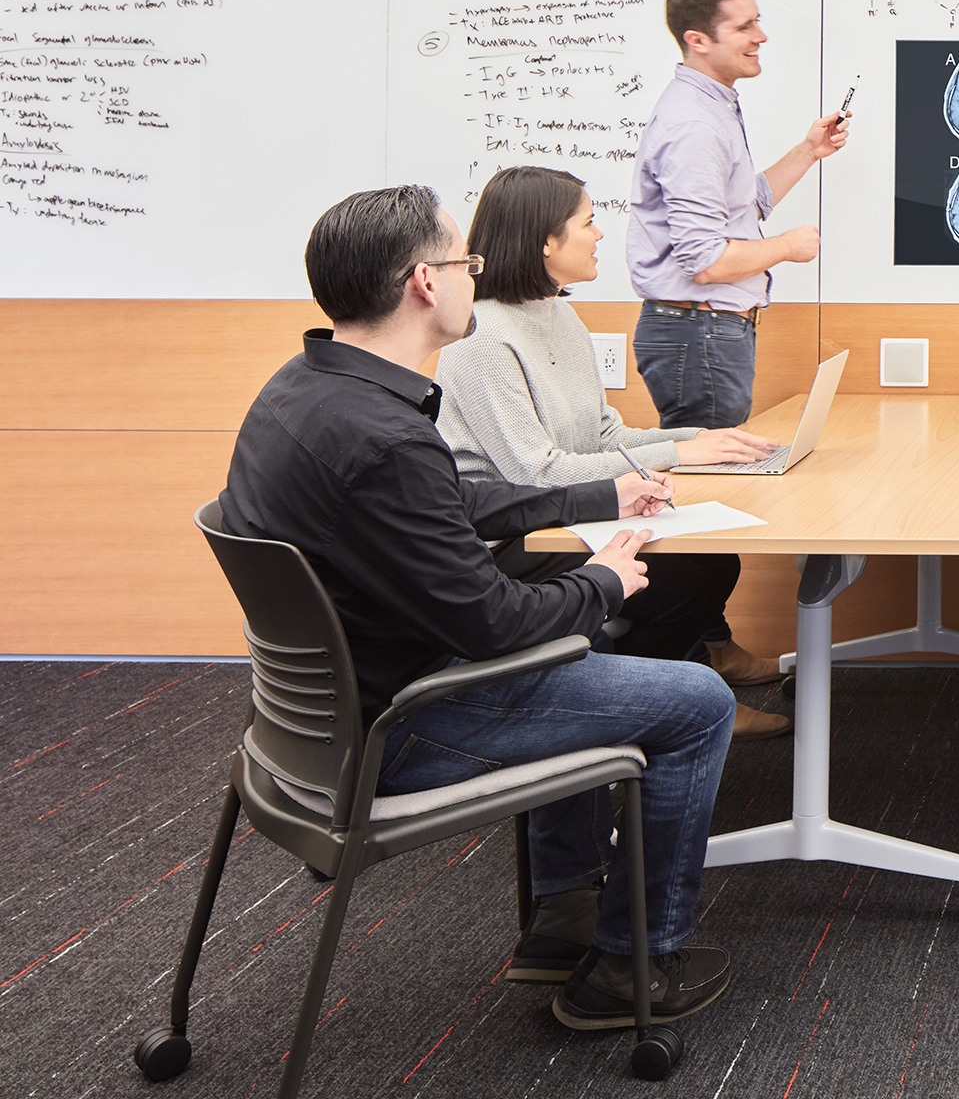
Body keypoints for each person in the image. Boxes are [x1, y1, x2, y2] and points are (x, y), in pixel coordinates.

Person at [218, 186, 739, 1032]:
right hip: (402, 724)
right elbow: (495, 625)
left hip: (308, 731)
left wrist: (597, 495)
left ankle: (563, 918)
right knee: (695, 702)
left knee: (584, 652)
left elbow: (447, 501)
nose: (474, 276)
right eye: (464, 263)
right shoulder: (385, 436)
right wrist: (606, 580)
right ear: (425, 282)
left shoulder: (303, 391)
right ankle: (625, 970)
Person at [437, 164, 791, 739]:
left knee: (708, 564)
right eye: (589, 222)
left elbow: (603, 436)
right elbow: (535, 472)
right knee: (689, 574)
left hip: (566, 518)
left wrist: (696, 443)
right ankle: (653, 710)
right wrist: (674, 456)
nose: (600, 234)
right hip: (512, 542)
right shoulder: (482, 339)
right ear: (547, 242)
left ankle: (668, 699)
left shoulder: (561, 316)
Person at [628, 0, 848, 687]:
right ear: (699, 39)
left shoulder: (714, 105)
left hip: (712, 334)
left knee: (713, 502)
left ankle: (709, 650)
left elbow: (741, 205)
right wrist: (788, 248)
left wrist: (807, 153)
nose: (761, 35)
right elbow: (704, 258)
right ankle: (677, 677)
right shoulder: (692, 123)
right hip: (697, 333)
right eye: (745, 25)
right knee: (701, 513)